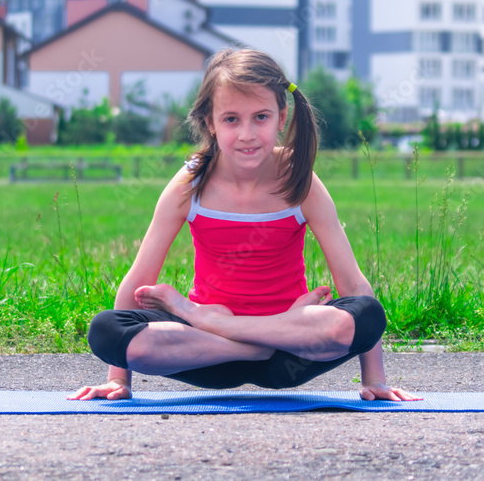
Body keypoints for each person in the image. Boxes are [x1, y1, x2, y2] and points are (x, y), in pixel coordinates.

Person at [69, 49, 419, 402]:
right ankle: (249, 346)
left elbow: (352, 283)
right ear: (210, 122)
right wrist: (119, 380)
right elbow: (139, 278)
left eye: (260, 117)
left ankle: (221, 325)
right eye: (232, 119)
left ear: (281, 118)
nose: (247, 134)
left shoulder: (299, 181)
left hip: (290, 354)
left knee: (368, 314)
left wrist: (374, 378)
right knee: (106, 331)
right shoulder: (191, 183)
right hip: (207, 355)